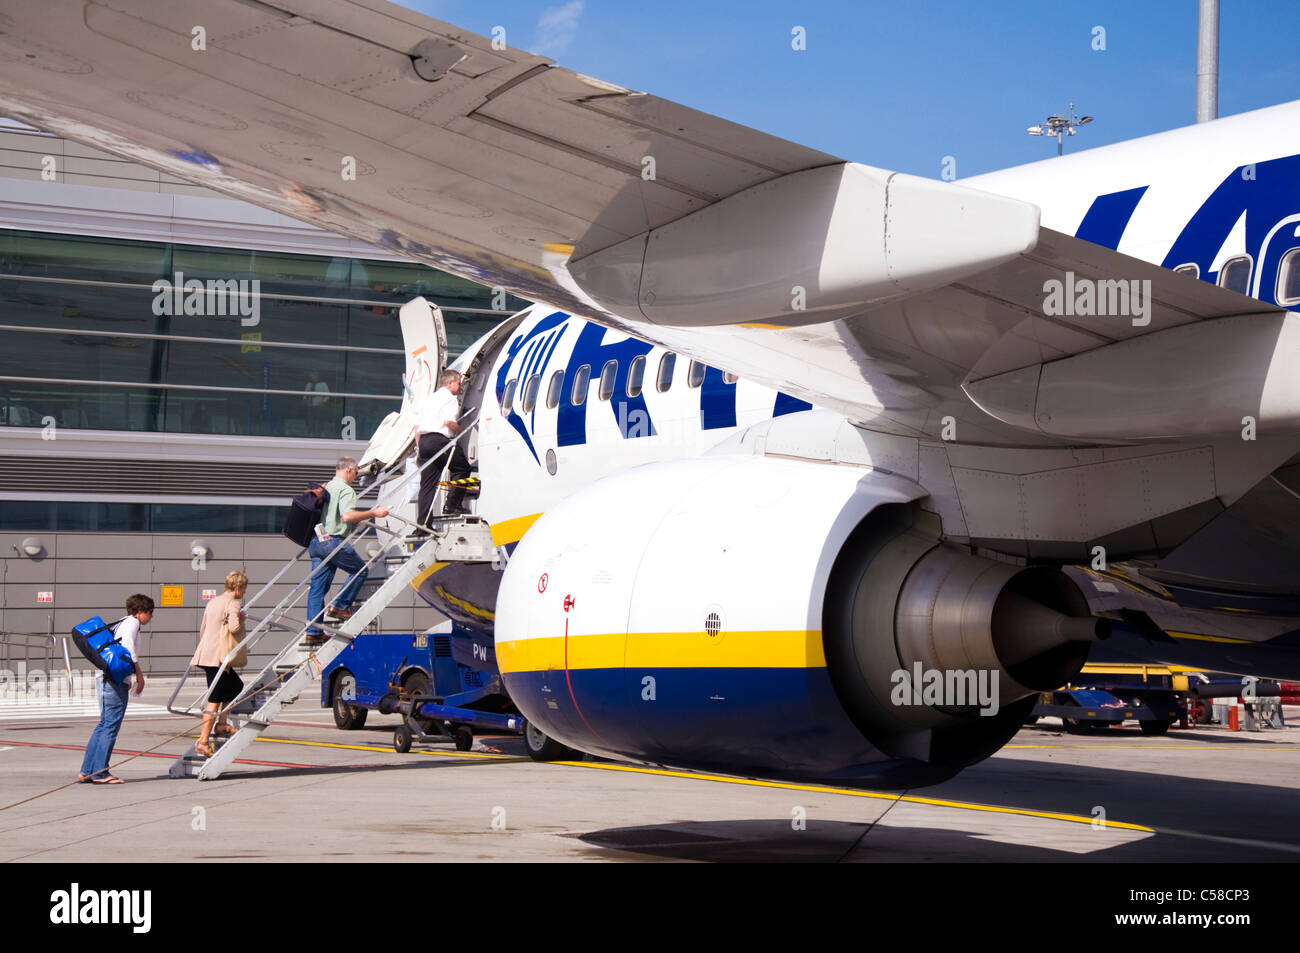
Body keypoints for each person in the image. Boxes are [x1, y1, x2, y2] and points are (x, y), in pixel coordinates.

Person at [306, 456, 388, 645]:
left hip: (317, 541)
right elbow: (347, 516)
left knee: (317, 589)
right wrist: (373, 513)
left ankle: (313, 632)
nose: (357, 475)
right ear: (349, 470)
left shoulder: (326, 486)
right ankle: (340, 606)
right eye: (357, 472)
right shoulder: (346, 490)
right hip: (333, 542)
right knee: (360, 570)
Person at [78, 593, 152, 784]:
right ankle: (100, 772)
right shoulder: (132, 624)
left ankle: (87, 770)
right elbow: (128, 648)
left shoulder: (121, 622)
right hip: (114, 680)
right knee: (110, 726)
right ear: (140, 612)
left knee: (104, 724)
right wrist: (139, 675)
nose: (151, 617)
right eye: (150, 612)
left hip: (105, 677)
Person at [192, 571, 249, 757]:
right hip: (218, 657)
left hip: (206, 653)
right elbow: (233, 628)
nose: (243, 592)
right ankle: (203, 741)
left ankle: (222, 723)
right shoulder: (233, 603)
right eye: (244, 588)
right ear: (238, 587)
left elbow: (204, 628)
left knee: (235, 686)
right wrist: (240, 618)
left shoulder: (213, 601)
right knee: (214, 701)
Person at [417, 369, 472, 524]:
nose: (460, 387)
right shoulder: (450, 399)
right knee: (462, 468)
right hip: (439, 440)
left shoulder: (429, 399)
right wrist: (464, 431)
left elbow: (417, 426)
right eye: (459, 383)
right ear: (450, 383)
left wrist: (419, 450)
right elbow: (449, 422)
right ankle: (452, 505)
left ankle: (423, 523)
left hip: (424, 441)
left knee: (427, 485)